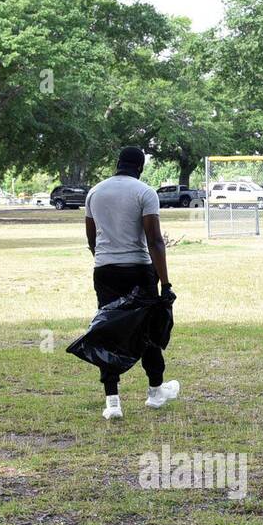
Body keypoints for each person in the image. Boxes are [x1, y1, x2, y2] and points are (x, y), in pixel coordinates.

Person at [84, 146, 178, 419]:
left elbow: (92, 238)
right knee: (147, 329)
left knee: (109, 329)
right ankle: (155, 391)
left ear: (118, 164)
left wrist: (104, 259)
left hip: (105, 271)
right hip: (138, 270)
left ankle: (112, 401)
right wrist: (165, 283)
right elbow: (155, 240)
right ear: (140, 167)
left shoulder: (95, 192)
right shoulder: (144, 192)